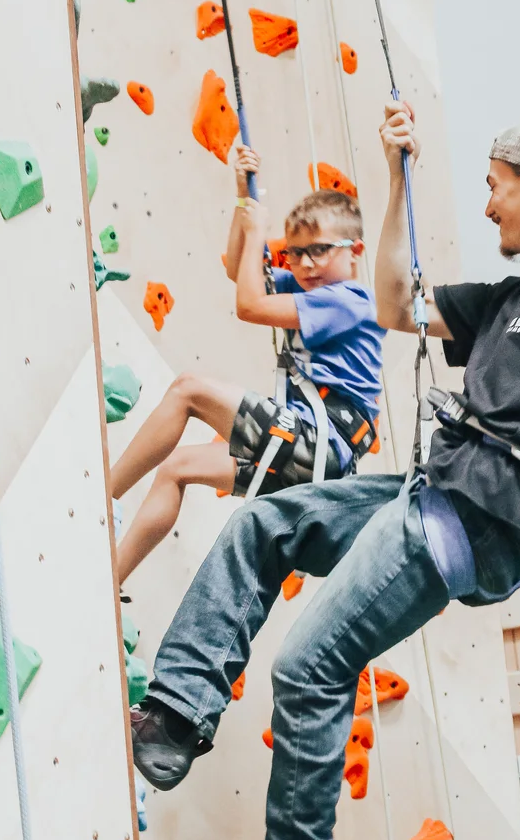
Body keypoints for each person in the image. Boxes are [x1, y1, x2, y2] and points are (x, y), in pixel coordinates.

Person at [131, 102, 520, 840]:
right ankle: (175, 714)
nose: (487, 206)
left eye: (494, 186)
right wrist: (395, 176)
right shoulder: (510, 297)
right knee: (264, 526)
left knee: (311, 661)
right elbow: (397, 302)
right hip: (433, 491)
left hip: (480, 514)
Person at [109, 146, 385, 584]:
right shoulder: (314, 288)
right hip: (304, 447)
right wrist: (242, 199)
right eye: (295, 254)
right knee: (177, 468)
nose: (306, 263)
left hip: (319, 442)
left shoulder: (349, 301)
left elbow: (250, 306)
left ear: (356, 251)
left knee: (187, 391)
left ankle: (102, 498)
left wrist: (258, 228)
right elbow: (240, 270)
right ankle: (113, 578)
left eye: (319, 250)